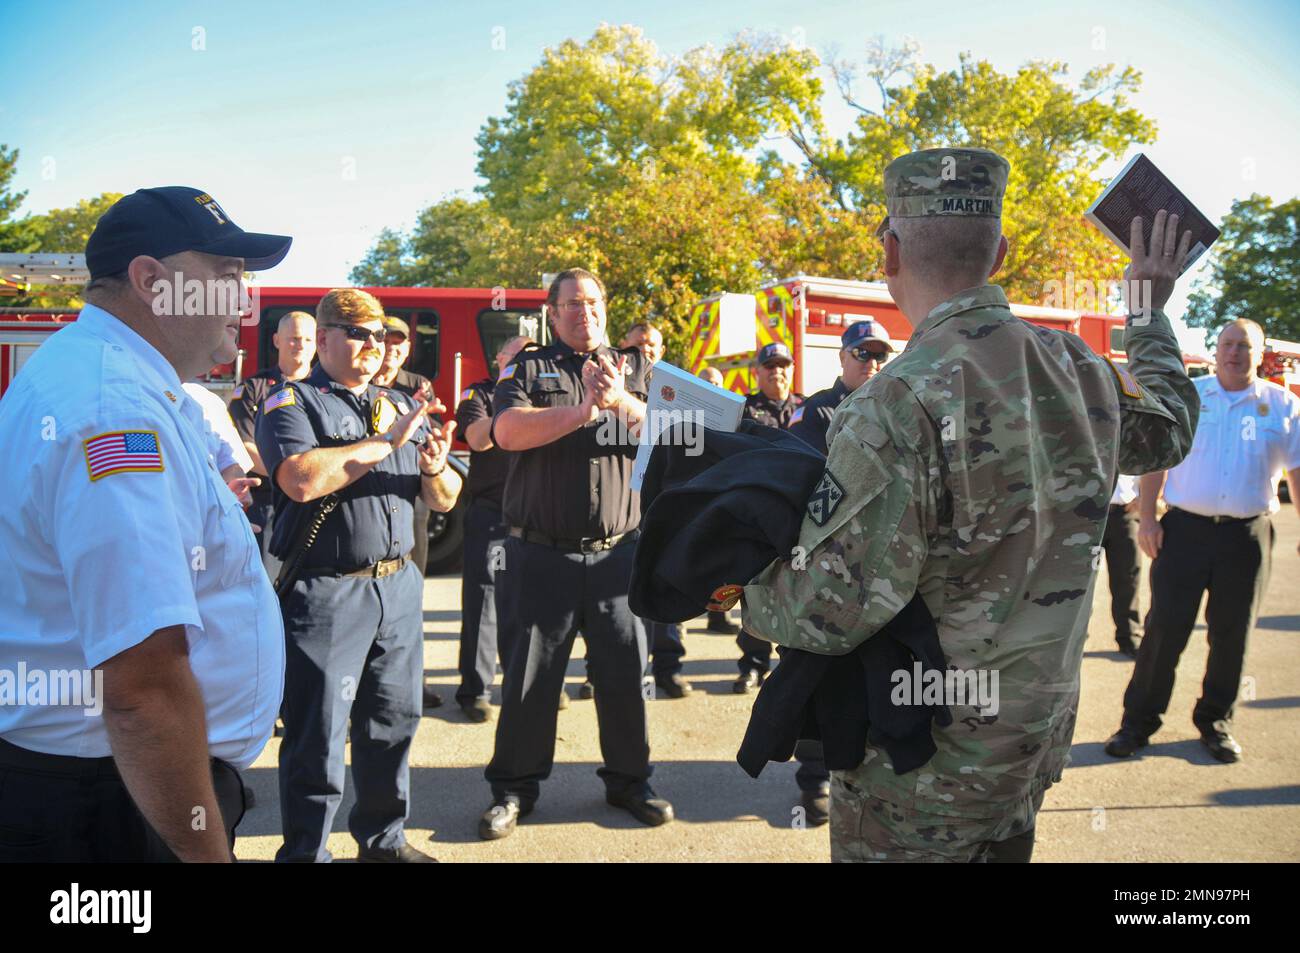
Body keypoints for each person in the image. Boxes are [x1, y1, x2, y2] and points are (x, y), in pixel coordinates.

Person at [741, 148, 1198, 862]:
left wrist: (741, 585)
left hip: (920, 775)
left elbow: (829, 610)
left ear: (889, 251)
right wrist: (1144, 307)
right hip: (1028, 748)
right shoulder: (1079, 368)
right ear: (1001, 253)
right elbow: (1170, 425)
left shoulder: (893, 399)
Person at [0, 186, 292, 861]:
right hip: (114, 805)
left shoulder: (112, 382)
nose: (244, 299)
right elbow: (142, 686)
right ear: (151, 281)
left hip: (116, 787)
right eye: (227, 274)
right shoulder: (113, 408)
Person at [257, 288, 462, 863]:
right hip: (327, 592)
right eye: (358, 334)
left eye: (382, 337)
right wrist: (381, 445)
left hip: (397, 586)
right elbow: (299, 478)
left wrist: (435, 465)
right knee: (317, 736)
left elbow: (445, 501)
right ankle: (307, 852)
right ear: (323, 340)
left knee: (395, 720)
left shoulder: (401, 404)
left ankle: (384, 840)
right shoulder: (292, 403)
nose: (374, 346)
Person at [478, 268, 672, 840]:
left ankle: (630, 782)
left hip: (620, 556)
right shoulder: (528, 366)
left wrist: (621, 404)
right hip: (542, 556)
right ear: (552, 312)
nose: (583, 312)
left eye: (592, 302)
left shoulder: (638, 368)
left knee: (624, 678)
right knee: (529, 682)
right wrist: (583, 412)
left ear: (604, 308)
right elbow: (507, 432)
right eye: (571, 304)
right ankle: (514, 789)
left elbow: (685, 429)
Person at [1106, 319, 1300, 763]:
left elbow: (1297, 472)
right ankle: (1137, 724)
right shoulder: (1191, 397)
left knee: (1232, 636)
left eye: (1244, 346)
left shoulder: (1283, 406)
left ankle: (1215, 722)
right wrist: (1150, 518)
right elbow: (1160, 456)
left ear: (1260, 352)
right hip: (1184, 532)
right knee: (1163, 632)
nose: (1235, 353)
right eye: (1228, 344)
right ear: (1216, 350)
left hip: (1247, 537)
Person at [454, 334, 535, 722]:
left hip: (533, 514)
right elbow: (475, 439)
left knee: (530, 603)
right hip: (492, 513)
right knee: (484, 602)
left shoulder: (542, 393)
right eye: (517, 356)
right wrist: (512, 413)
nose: (524, 362)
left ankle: (523, 683)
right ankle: (476, 689)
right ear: (499, 358)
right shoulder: (479, 393)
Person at [370, 315, 443, 710]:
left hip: (406, 497)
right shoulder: (355, 381)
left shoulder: (417, 386)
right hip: (363, 499)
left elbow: (426, 435)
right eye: (386, 341)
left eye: (400, 343)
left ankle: (415, 681)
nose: (392, 350)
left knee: (410, 591)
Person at [620, 322, 692, 698]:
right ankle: (601, 671)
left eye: (652, 345)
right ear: (623, 349)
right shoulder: (609, 382)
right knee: (618, 597)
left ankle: (668, 667)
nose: (645, 352)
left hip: (665, 506)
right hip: (621, 509)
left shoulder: (678, 387)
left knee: (667, 586)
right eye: (637, 346)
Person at [734, 341, 804, 692]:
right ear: (757, 372)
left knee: (799, 595)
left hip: (801, 523)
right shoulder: (743, 410)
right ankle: (752, 664)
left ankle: (792, 668)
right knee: (756, 594)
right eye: (769, 365)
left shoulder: (808, 408)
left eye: (783, 364)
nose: (777, 370)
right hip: (758, 520)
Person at [228, 309, 316, 576]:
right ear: (277, 340)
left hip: (317, 503)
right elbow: (244, 445)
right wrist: (292, 475)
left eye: (308, 340)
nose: (300, 345)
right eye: (293, 338)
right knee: (268, 581)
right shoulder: (253, 388)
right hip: (269, 504)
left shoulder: (327, 390)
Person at [788, 319, 894, 454]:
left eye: (880, 356)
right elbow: (802, 469)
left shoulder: (893, 410)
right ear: (842, 357)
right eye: (862, 353)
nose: (872, 364)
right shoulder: (814, 411)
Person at [1101, 474, 1143, 658]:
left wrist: (1145, 499)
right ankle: (1076, 637)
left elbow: (1152, 465)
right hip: (1086, 515)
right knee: (1081, 581)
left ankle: (1129, 636)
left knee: (1128, 577)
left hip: (1124, 514)